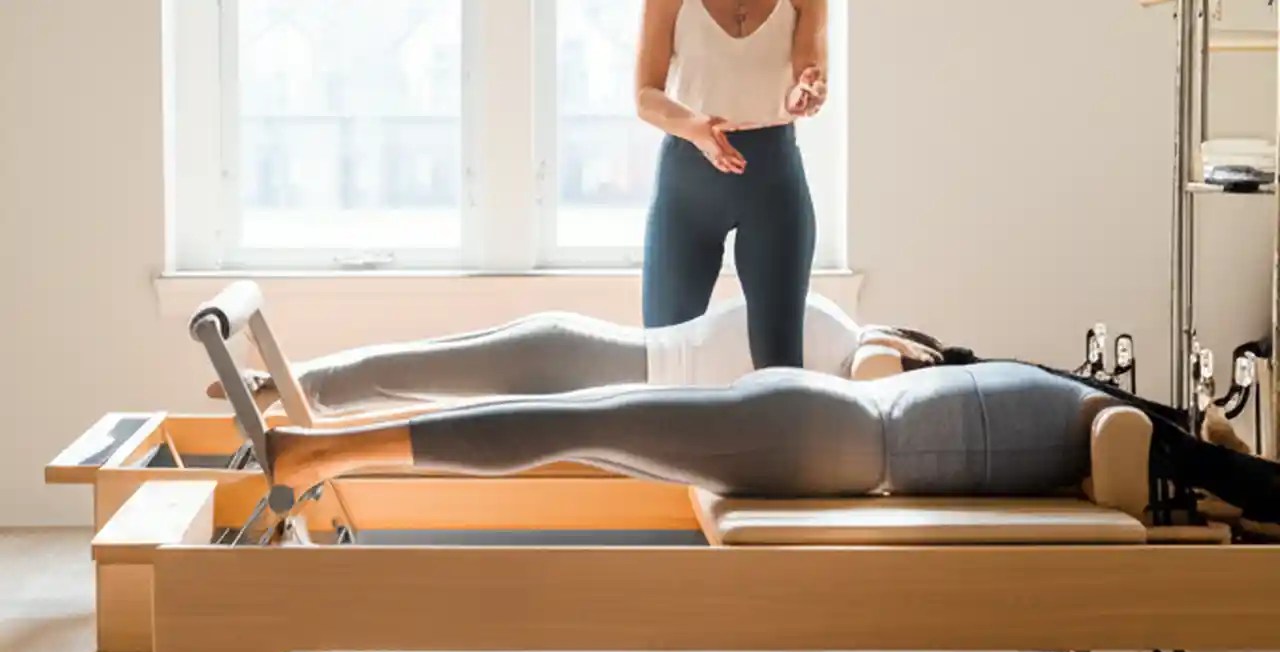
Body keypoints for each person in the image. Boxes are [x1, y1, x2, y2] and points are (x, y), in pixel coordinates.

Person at [264, 361, 1280, 526]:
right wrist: (1227, 471)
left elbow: (1248, 486)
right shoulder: (1131, 428)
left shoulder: (1098, 406)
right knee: (581, 420)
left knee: (585, 418)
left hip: (817, 420)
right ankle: (322, 450)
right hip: (819, 432)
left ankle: (326, 445)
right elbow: (1253, 487)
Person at [208, 293, 944, 415]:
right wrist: (929, 362)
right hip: (574, 360)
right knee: (420, 371)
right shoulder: (858, 347)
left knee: (422, 367)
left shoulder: (833, 330)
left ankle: (284, 383)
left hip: (575, 351)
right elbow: (882, 383)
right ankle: (284, 388)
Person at [635, 0, 828, 371]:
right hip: (688, 180)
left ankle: (780, 429)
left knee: (781, 362)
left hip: (774, 177)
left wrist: (806, 93)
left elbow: (810, 70)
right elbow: (646, 94)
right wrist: (697, 128)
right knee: (667, 355)